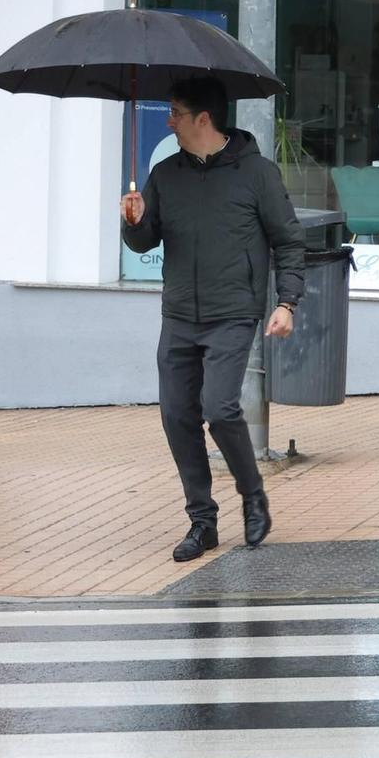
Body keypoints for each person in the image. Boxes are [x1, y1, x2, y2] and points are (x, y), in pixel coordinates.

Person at [119, 76, 304, 563]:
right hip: (179, 314)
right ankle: (202, 522)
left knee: (219, 408)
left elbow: (288, 241)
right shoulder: (165, 174)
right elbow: (144, 242)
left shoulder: (256, 173)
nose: (169, 122)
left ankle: (253, 495)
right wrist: (134, 221)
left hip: (233, 313)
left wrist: (287, 302)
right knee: (177, 416)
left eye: (175, 113)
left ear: (203, 118)